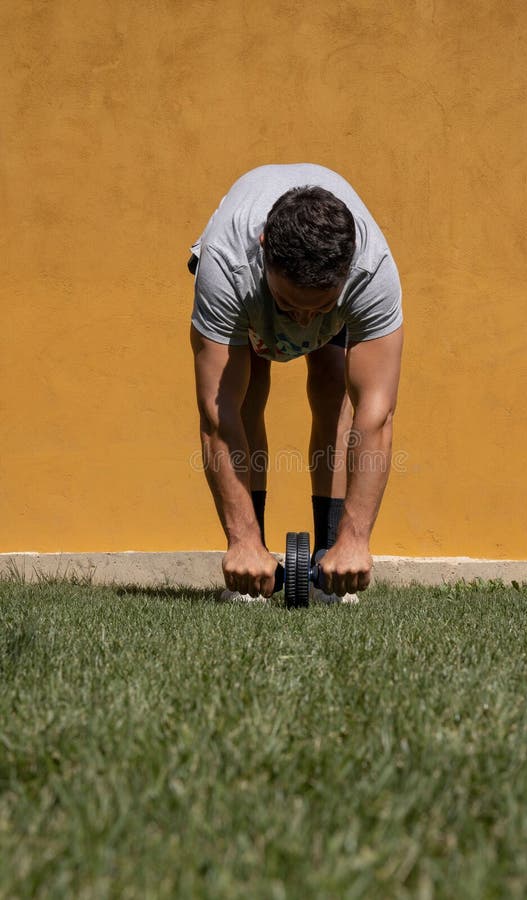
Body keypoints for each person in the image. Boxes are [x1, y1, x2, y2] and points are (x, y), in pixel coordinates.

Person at [188, 163, 403, 603]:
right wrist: (241, 540)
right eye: (291, 305)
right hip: (249, 298)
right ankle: (254, 559)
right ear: (264, 250)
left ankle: (331, 550)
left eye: (317, 307)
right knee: (246, 393)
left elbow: (376, 416)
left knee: (332, 383)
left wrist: (356, 541)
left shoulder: (371, 270)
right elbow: (216, 414)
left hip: (322, 295)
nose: (304, 320)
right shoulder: (228, 264)